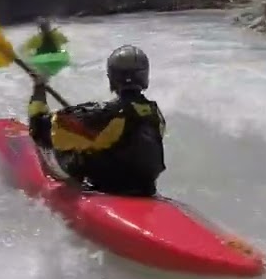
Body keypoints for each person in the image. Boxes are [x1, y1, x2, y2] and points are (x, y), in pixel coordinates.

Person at [28, 45, 166, 197]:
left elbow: (38, 128)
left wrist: (39, 89)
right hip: (145, 189)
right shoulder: (155, 115)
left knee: (63, 142)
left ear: (112, 78)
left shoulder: (105, 115)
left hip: (108, 188)